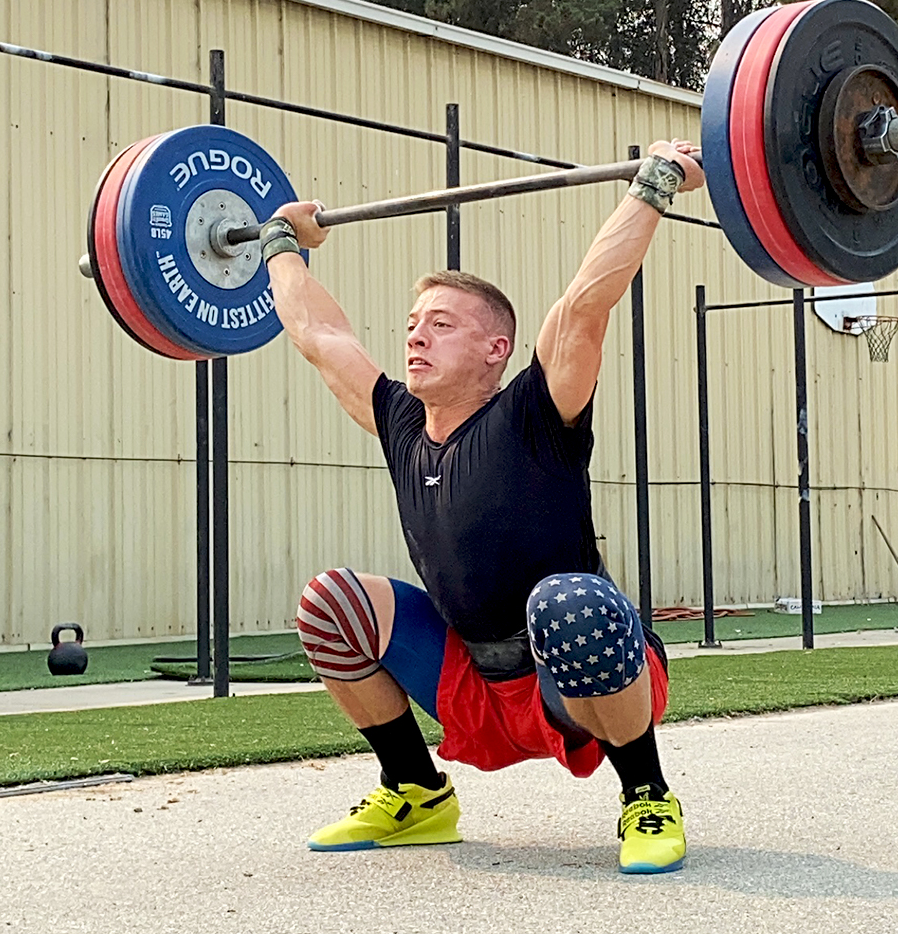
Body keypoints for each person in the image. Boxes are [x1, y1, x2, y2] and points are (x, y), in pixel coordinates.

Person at [264, 141, 703, 873]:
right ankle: (416, 791)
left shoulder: (535, 412)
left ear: (497, 348)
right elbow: (320, 335)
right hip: (476, 679)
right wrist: (281, 243)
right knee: (332, 603)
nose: (416, 334)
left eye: (441, 323)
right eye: (413, 322)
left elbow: (585, 305)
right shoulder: (401, 425)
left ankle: (647, 793)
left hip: (580, 671)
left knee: (570, 601)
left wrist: (654, 184)